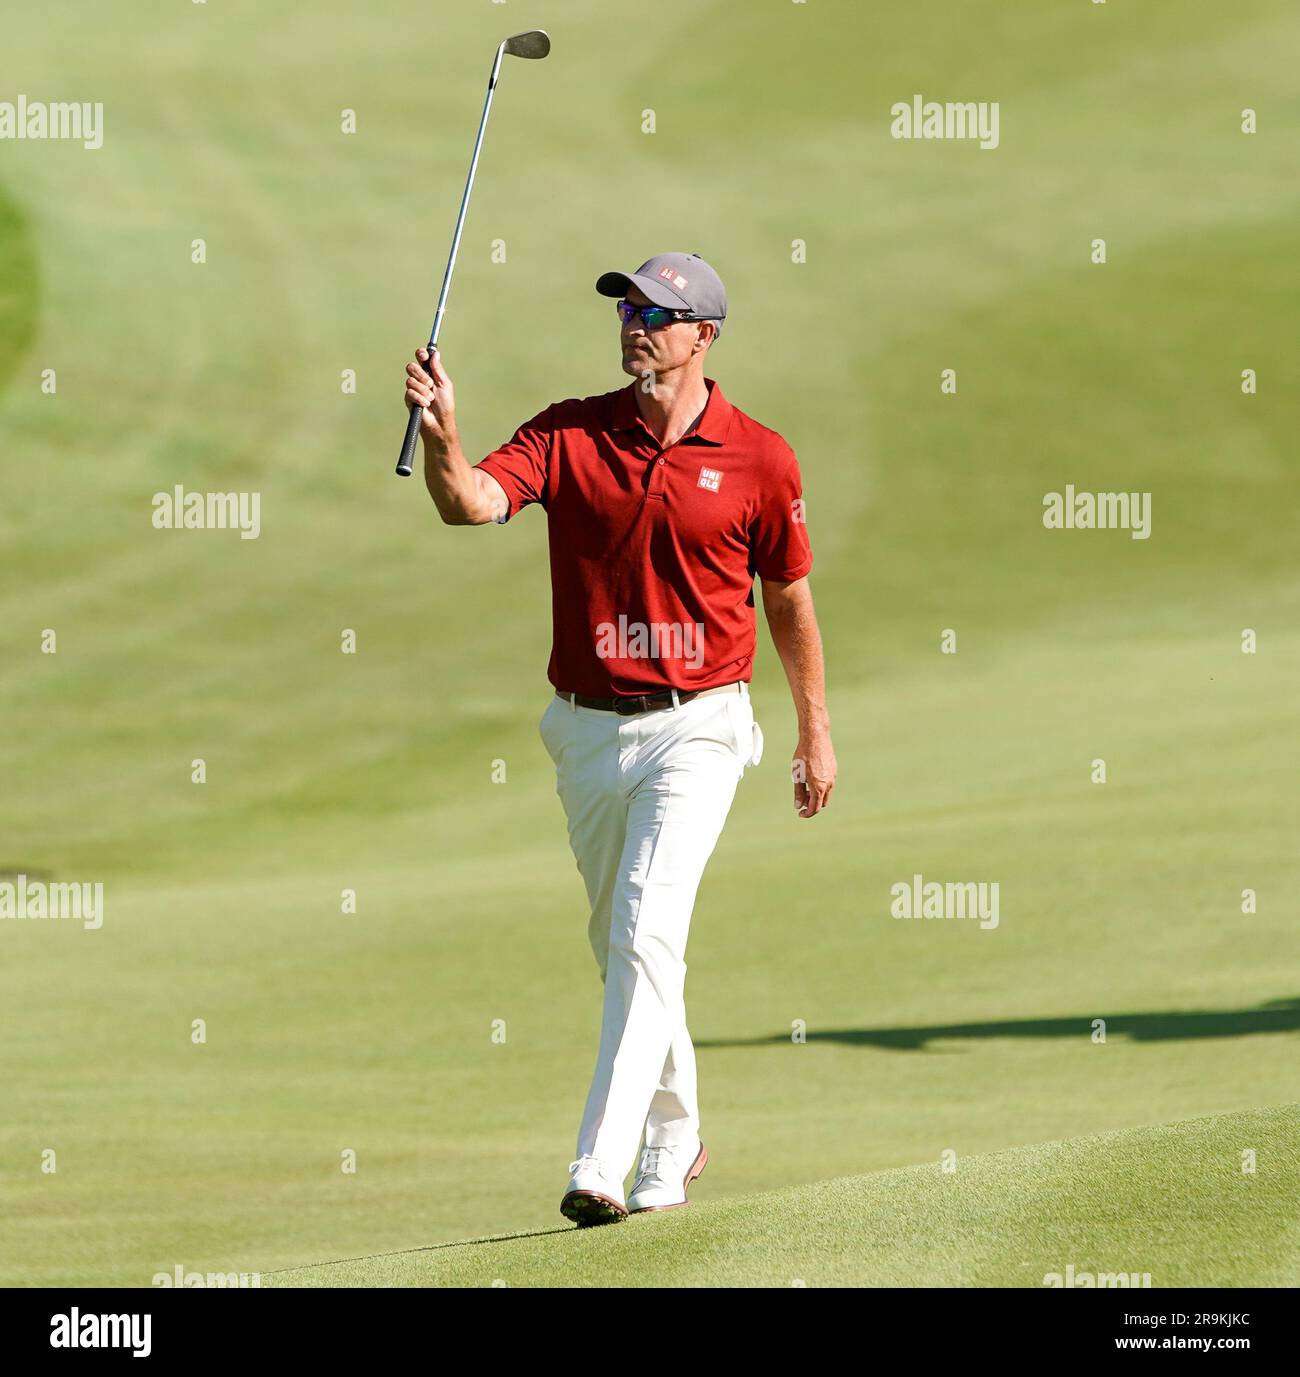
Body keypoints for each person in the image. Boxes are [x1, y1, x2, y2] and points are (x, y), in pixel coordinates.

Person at [402, 252, 836, 1226]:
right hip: (587, 734)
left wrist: (814, 729)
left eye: (657, 311)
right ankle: (679, 1135)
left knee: (644, 929)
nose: (635, 324)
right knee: (626, 948)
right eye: (627, 308)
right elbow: (467, 501)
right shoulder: (570, 432)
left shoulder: (760, 457)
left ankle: (599, 1164)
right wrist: (443, 435)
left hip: (701, 725)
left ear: (704, 336)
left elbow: (790, 599)